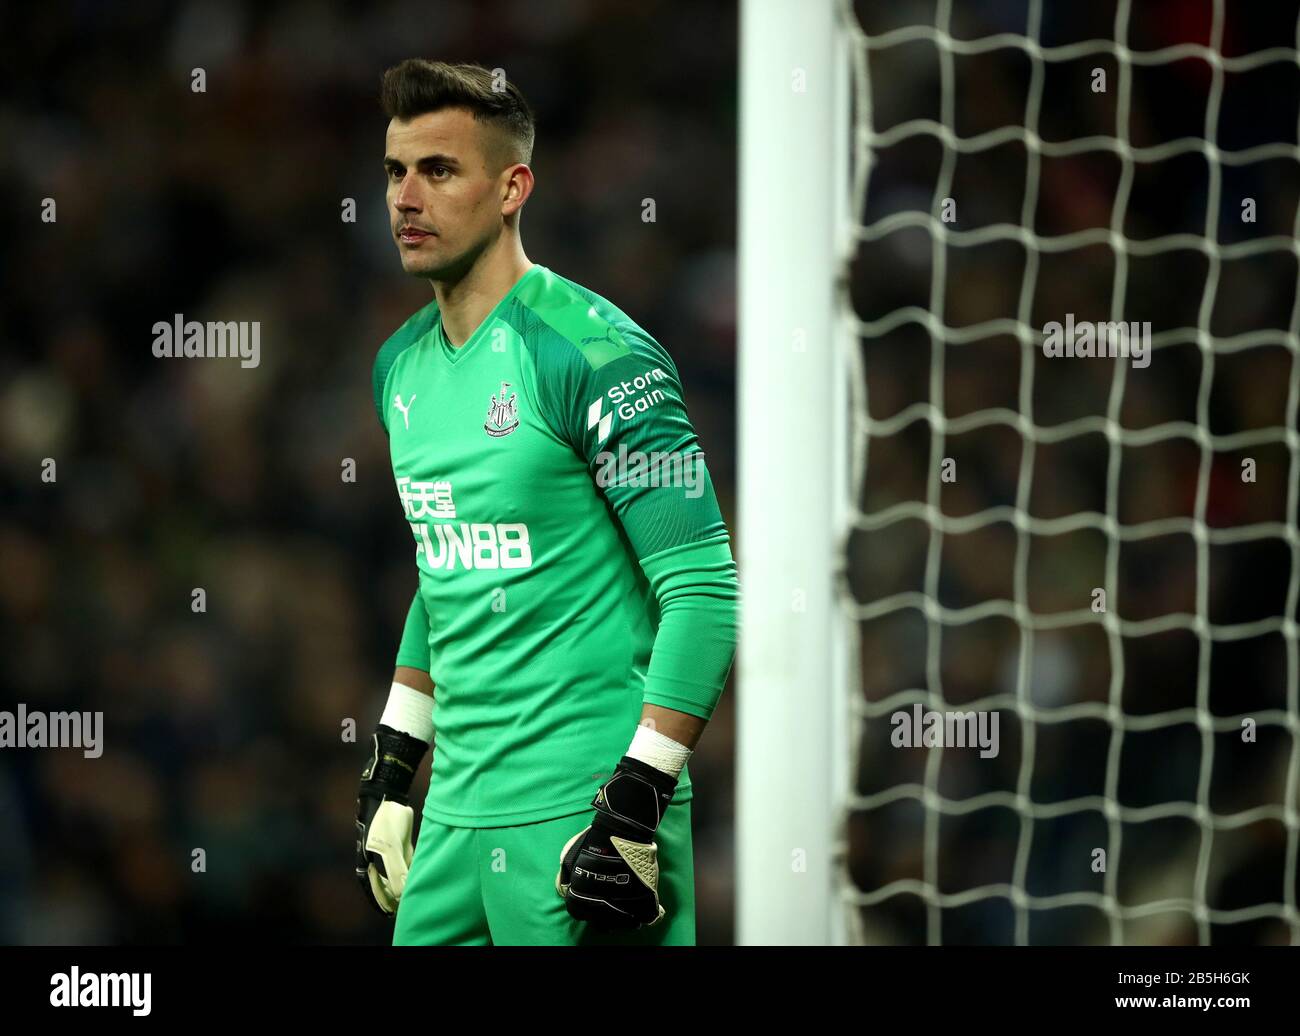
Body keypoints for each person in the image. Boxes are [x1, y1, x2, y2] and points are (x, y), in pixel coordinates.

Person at [352, 59, 739, 946]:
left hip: (583, 823)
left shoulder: (597, 355)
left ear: (512, 187)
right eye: (394, 172)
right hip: (453, 818)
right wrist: (393, 765)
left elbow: (703, 587)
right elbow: (447, 566)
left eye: (439, 170)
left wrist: (638, 799)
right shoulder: (398, 368)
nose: (407, 197)